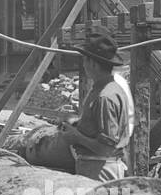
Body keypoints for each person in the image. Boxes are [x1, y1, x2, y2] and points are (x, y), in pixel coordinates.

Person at [55, 25, 135, 182]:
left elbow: (106, 148)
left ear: (92, 63)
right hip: (94, 168)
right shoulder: (107, 89)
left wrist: (76, 136)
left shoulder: (105, 96)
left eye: (85, 60)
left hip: (101, 170)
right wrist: (79, 124)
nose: (84, 65)